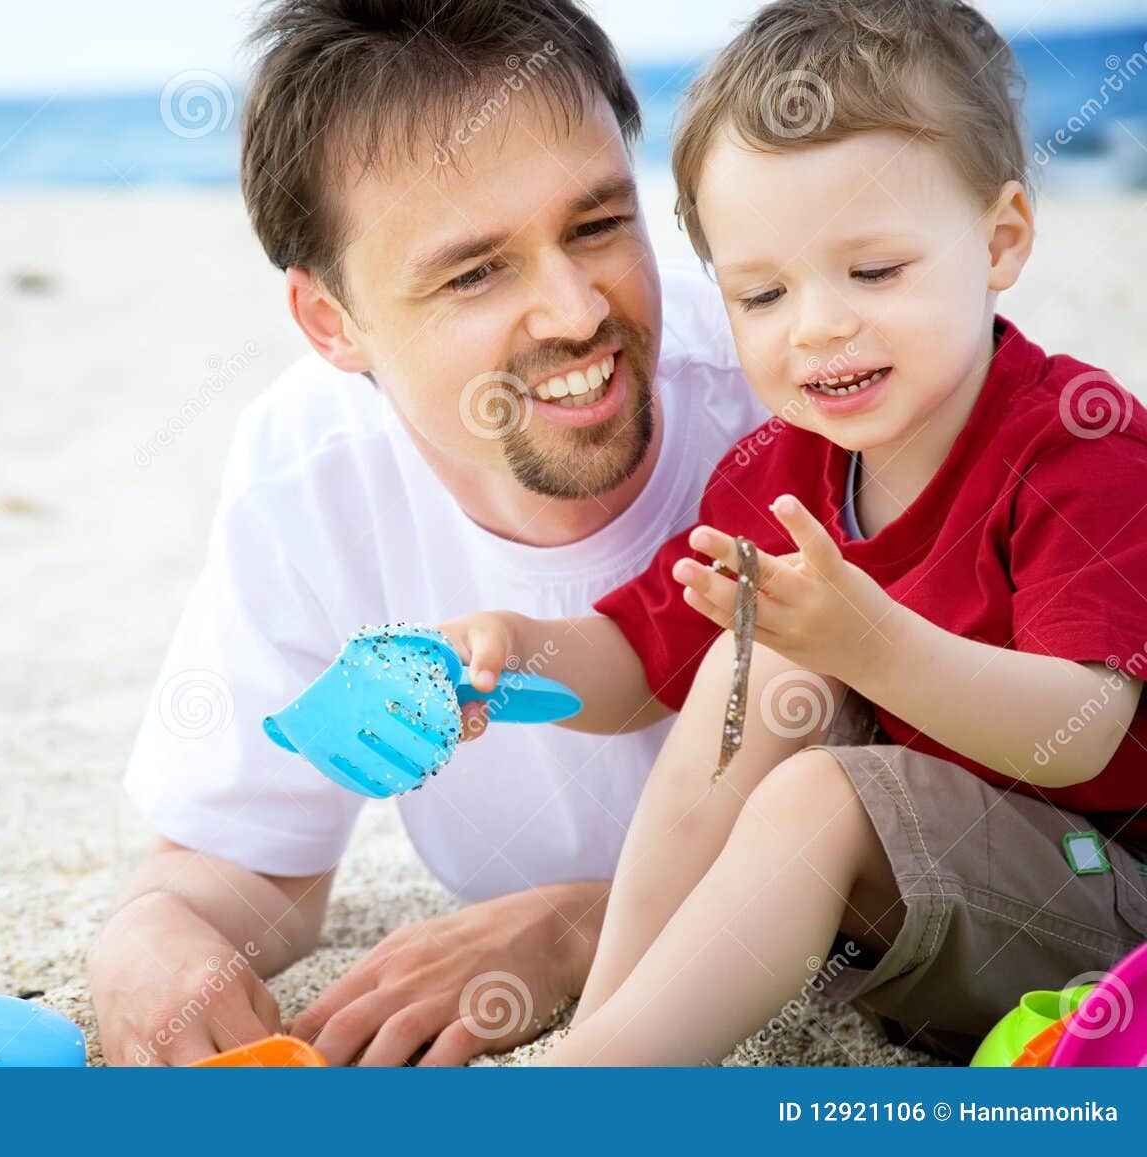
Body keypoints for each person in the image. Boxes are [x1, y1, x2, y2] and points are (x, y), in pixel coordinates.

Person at [441, 0, 1147, 1065]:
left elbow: (1086, 725)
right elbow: (644, 658)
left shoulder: (1074, 445)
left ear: (999, 240)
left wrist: (871, 644)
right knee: (759, 659)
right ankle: (609, 1031)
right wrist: (506, 652)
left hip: (1108, 910)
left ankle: (601, 1080)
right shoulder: (780, 470)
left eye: (873, 272)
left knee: (818, 772)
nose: (818, 325)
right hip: (921, 926)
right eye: (763, 292)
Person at [88, 0, 765, 1066]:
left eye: (596, 224)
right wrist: (148, 938)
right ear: (331, 322)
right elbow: (246, 863)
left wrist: (584, 925)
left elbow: (970, 831)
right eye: (474, 272)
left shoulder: (790, 387)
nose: (575, 310)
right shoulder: (311, 467)